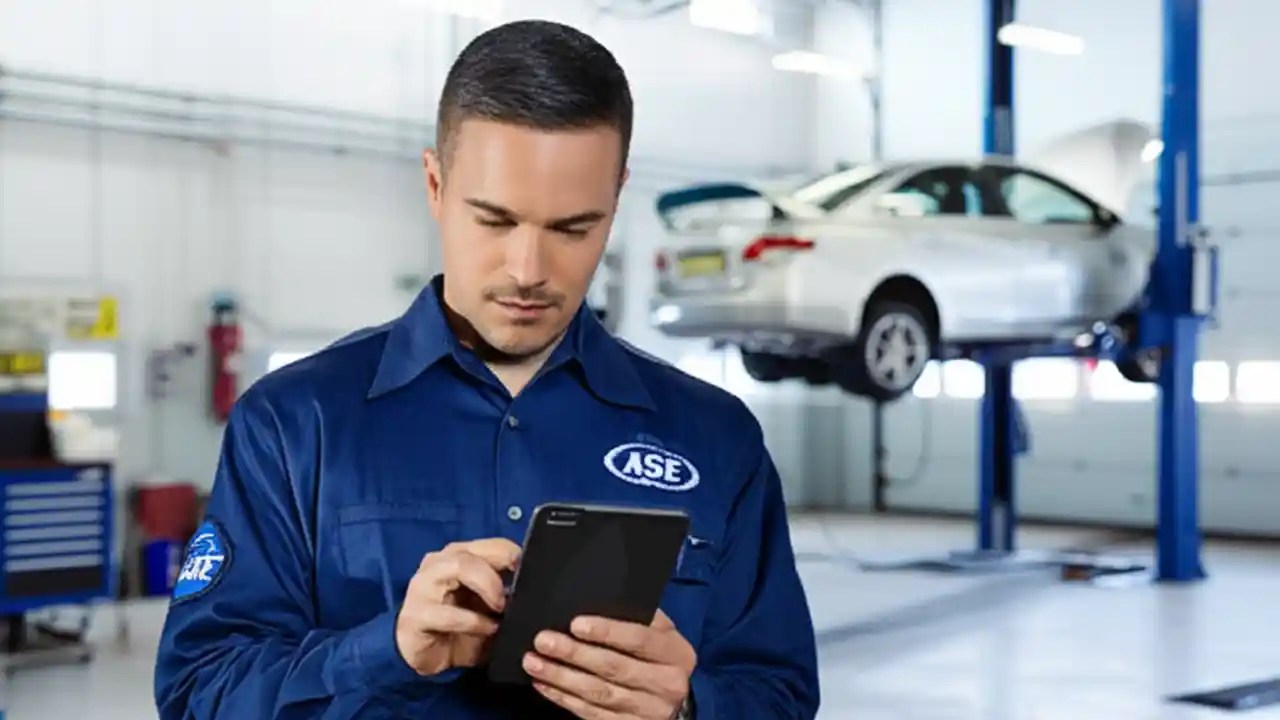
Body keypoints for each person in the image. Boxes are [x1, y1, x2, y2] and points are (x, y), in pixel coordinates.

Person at [153, 18, 819, 720]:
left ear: (616, 199)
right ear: (435, 184)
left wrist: (686, 707)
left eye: (573, 228)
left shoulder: (716, 439)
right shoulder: (294, 424)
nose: (528, 270)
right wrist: (386, 651)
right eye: (495, 221)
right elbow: (200, 692)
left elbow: (779, 694)